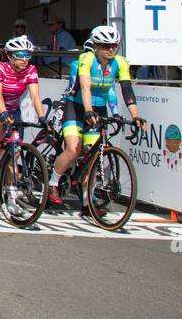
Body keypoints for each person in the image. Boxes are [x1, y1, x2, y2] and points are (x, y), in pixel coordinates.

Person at [50, 26, 143, 207]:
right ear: (95, 45)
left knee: (94, 156)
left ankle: (87, 201)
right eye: (105, 45)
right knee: (73, 149)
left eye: (114, 46)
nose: (110, 49)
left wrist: (136, 116)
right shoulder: (86, 59)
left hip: (99, 110)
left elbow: (126, 89)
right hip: (76, 107)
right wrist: (88, 111)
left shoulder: (120, 62)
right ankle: (53, 183)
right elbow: (84, 87)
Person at [0, 36, 46, 190]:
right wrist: (3, 113)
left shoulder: (31, 70)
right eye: (20, 55)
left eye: (28, 55)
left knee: (15, 154)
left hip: (13, 110)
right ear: (10, 56)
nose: (25, 59)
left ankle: (11, 196)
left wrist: (42, 117)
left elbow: (35, 96)